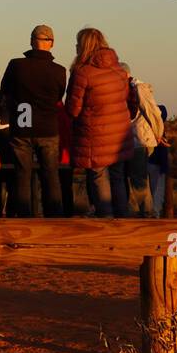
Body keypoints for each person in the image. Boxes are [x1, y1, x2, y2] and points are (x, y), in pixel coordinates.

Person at [64, 28, 136, 218]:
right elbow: (129, 101)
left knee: (98, 176)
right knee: (118, 177)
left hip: (94, 135)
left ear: (83, 45)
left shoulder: (82, 73)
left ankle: (106, 219)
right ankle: (123, 219)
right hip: (119, 135)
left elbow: (73, 109)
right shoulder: (119, 72)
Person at [0, 24, 67, 217]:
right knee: (51, 175)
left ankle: (24, 217)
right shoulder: (59, 71)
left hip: (23, 124)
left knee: (22, 175)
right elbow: (57, 97)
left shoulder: (16, 65)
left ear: (31, 41)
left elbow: (5, 90)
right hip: (48, 127)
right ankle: (54, 217)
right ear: (51, 44)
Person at [120, 63, 162, 218]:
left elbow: (152, 112)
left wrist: (158, 133)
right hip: (135, 139)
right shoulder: (131, 89)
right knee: (134, 176)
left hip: (140, 140)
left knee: (138, 178)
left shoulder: (138, 89)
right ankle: (141, 211)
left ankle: (148, 213)